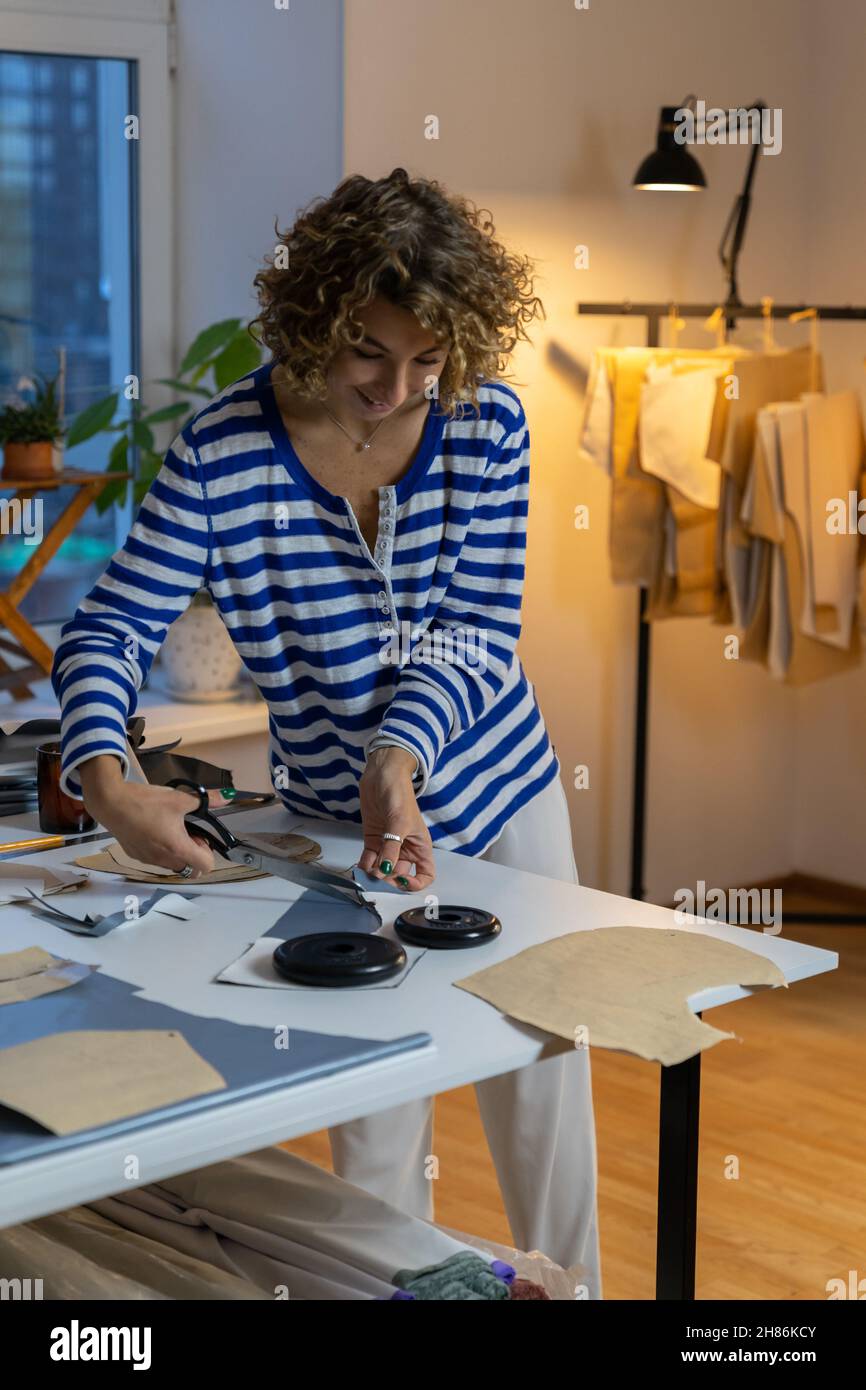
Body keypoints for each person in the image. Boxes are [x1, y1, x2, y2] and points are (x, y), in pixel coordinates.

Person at [51, 167, 601, 1297]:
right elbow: (108, 628)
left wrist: (396, 765)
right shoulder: (223, 453)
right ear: (311, 324)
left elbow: (471, 636)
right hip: (335, 831)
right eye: (366, 351)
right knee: (378, 1102)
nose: (395, 390)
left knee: (542, 1077)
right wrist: (107, 780)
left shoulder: (486, 423)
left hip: (495, 792)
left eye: (425, 359)